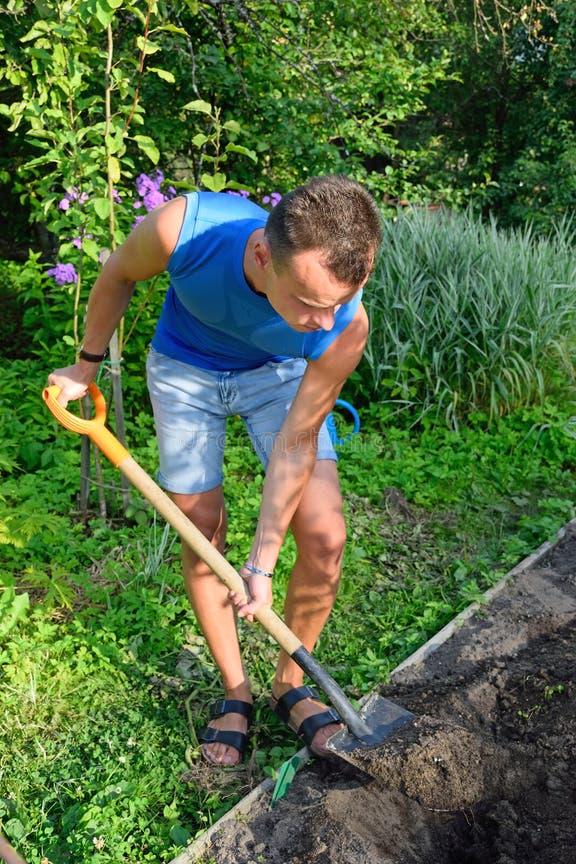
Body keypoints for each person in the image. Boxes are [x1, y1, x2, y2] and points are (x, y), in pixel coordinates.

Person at [48, 174, 383, 767]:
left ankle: (290, 684)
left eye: (338, 304)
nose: (326, 321)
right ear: (262, 254)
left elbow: (298, 439)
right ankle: (236, 690)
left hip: (279, 375)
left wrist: (262, 562)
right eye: (310, 304)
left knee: (326, 534)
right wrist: (86, 365)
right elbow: (119, 274)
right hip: (185, 367)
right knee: (200, 531)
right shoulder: (185, 230)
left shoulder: (343, 326)